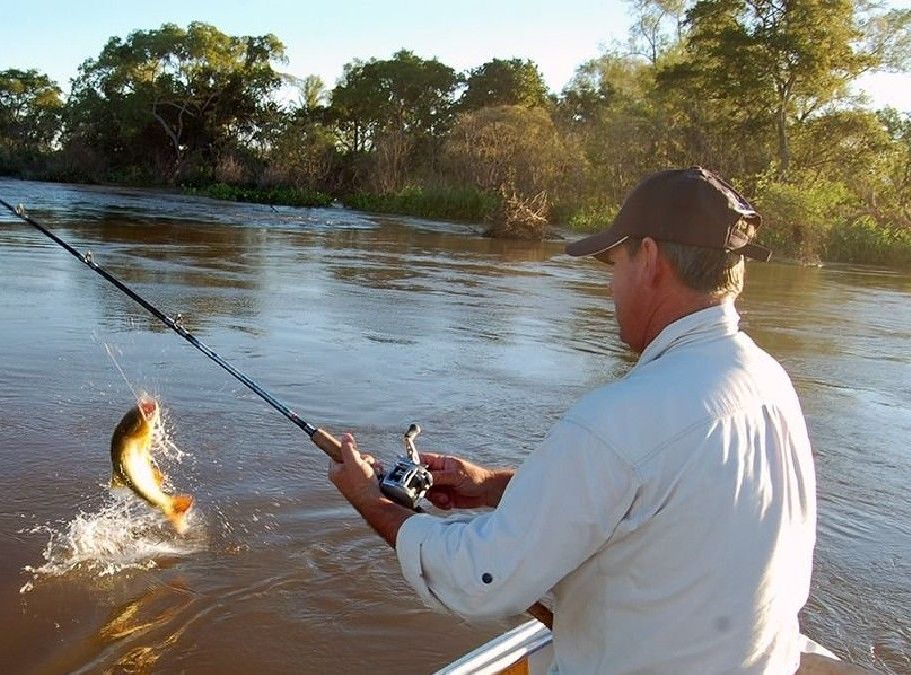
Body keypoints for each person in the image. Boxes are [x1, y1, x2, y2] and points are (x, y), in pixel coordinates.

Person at [329, 167, 818, 673]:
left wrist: (371, 501)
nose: (611, 285)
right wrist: (496, 485)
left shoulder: (621, 418)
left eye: (614, 261)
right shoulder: (770, 381)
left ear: (648, 259)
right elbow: (663, 498)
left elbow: (481, 580)